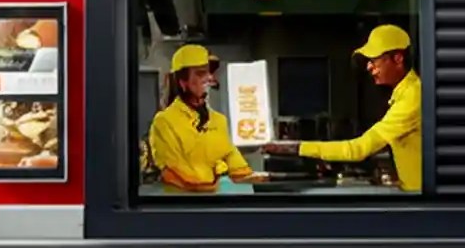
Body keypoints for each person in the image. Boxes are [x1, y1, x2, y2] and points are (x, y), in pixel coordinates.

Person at [264, 24, 421, 192]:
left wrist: (294, 147)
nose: (369, 67)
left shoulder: (413, 96)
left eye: (374, 60)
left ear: (398, 58)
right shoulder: (405, 93)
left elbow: (359, 149)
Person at [145, 44, 266, 193]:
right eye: (201, 73)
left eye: (209, 73)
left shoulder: (218, 121)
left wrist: (275, 179)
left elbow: (239, 171)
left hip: (213, 206)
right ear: (182, 82)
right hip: (181, 208)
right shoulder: (165, 122)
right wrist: (218, 173)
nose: (209, 78)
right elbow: (172, 175)